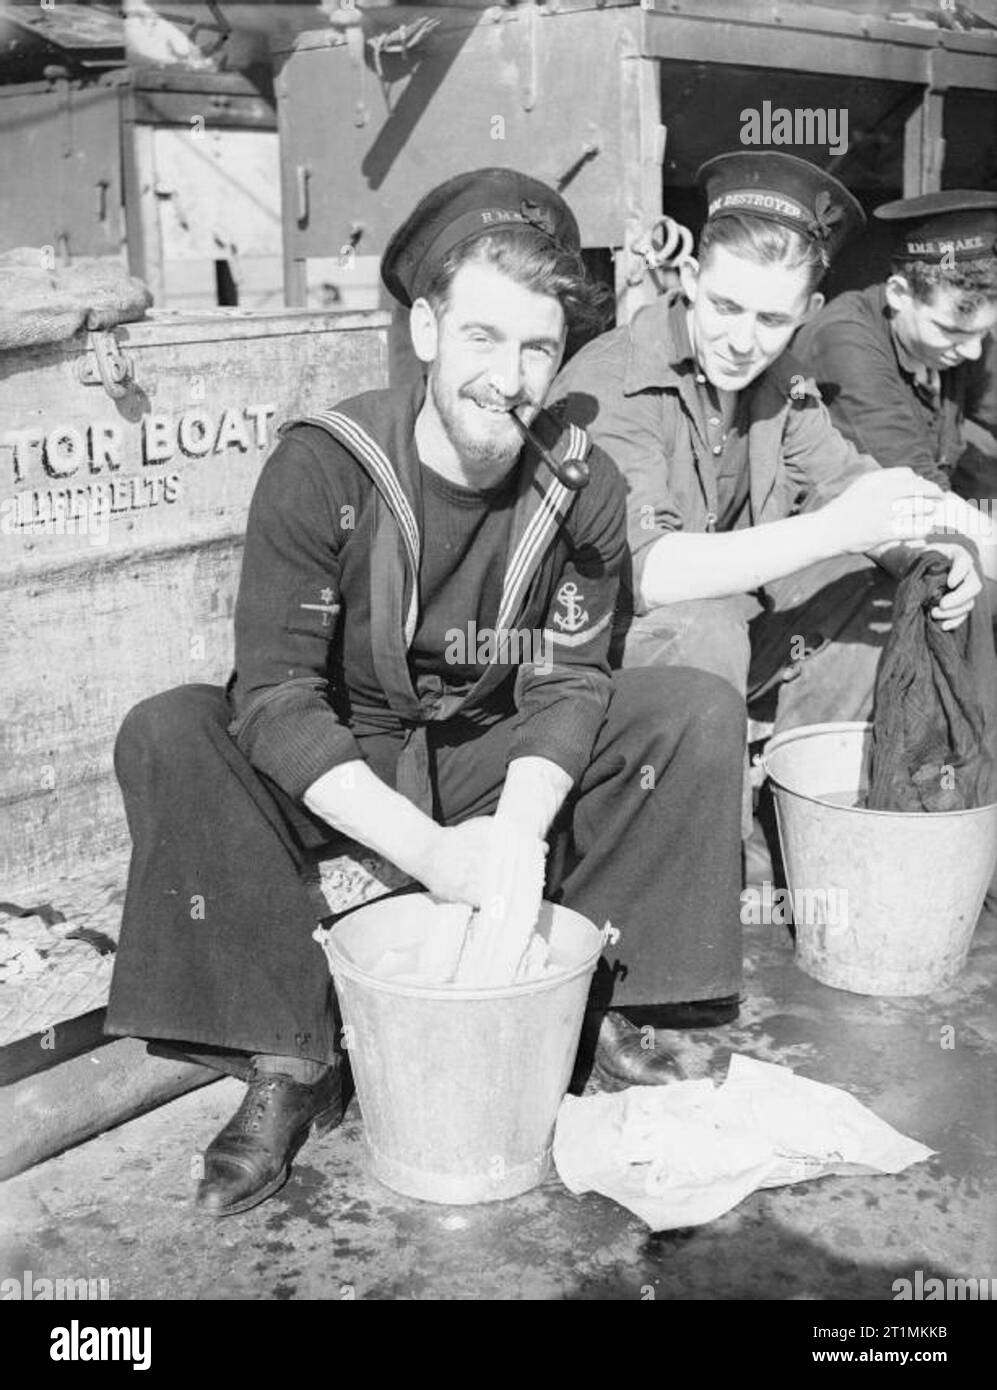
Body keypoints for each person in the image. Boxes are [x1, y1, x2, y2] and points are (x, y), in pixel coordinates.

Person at [104, 168, 747, 1218]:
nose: (511, 376)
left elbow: (574, 672)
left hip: (491, 745)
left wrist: (520, 829)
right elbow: (274, 697)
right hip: (349, 747)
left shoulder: (581, 487)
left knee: (689, 711)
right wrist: (435, 856)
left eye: (537, 347)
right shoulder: (327, 466)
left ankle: (603, 1006)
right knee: (171, 730)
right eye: (483, 338)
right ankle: (291, 1054)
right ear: (425, 329)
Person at [549, 153, 994, 762]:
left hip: (735, 632)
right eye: (726, 307)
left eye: (772, 319)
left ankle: (808, 799)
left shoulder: (781, 381)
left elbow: (850, 484)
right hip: (598, 650)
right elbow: (650, 572)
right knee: (703, 626)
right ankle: (707, 845)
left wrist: (934, 551)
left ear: (807, 313)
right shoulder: (612, 381)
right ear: (690, 280)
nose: (741, 341)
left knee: (887, 591)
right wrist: (837, 530)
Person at [793, 191, 997, 495]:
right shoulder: (843, 343)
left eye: (983, 332)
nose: (974, 350)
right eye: (950, 331)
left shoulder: (965, 336)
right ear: (899, 294)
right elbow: (919, 493)